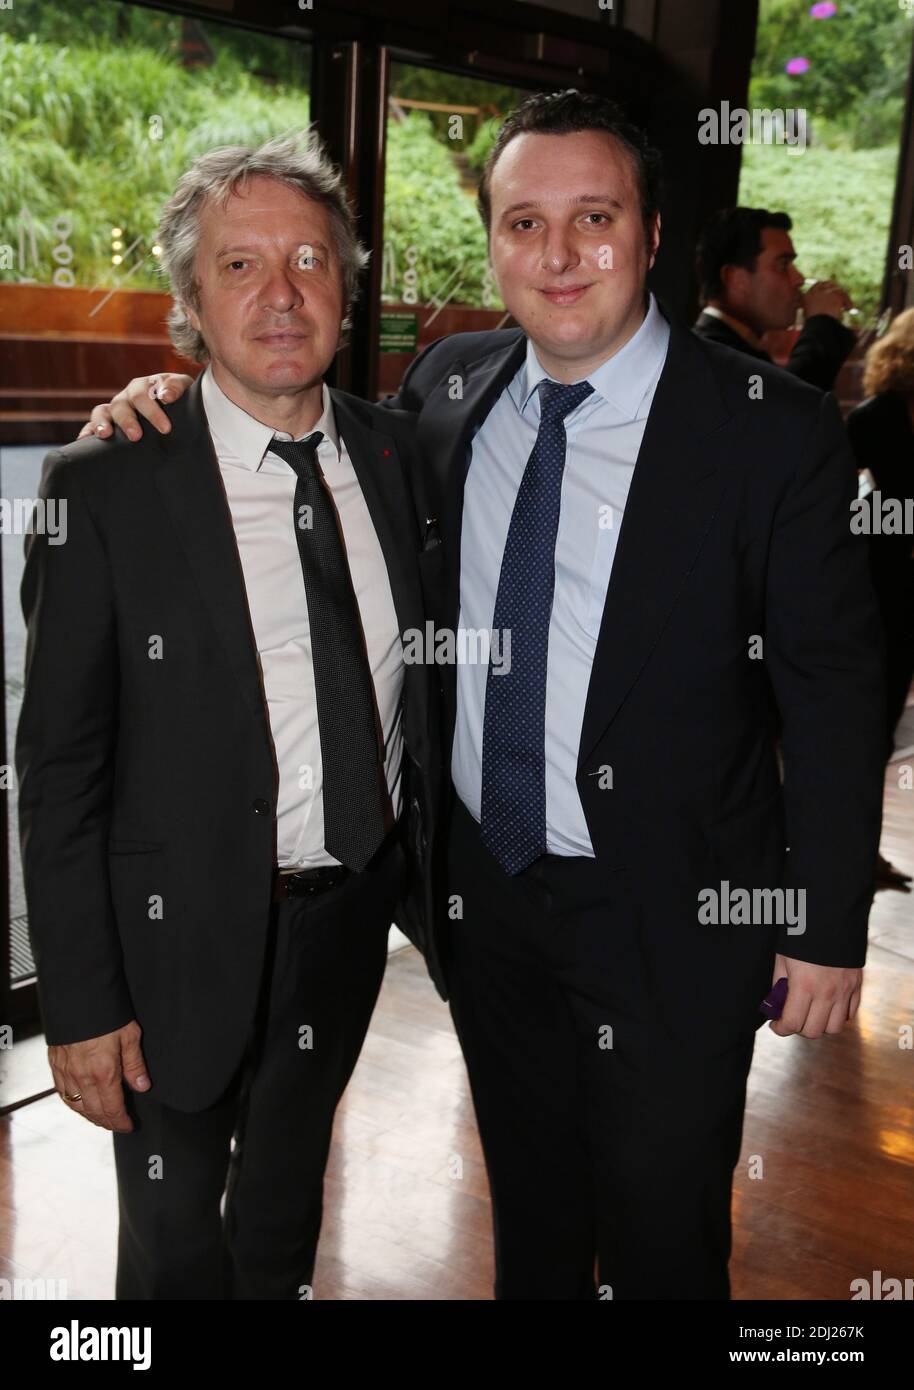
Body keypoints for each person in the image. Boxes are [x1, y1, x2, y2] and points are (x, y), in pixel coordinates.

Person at [82, 90, 885, 1302]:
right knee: (534, 1222)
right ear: (493, 239)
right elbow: (284, 422)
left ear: (652, 235)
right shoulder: (446, 397)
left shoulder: (770, 432)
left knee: (665, 1240)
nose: (556, 256)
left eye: (593, 218)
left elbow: (834, 690)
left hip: (674, 917)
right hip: (490, 912)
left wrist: (822, 922)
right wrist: (153, 411)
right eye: (522, 222)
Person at [16, 131, 441, 1300]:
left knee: (282, 1212)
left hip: (343, 926)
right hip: (168, 943)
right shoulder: (105, 488)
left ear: (347, 293)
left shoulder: (402, 459)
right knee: (169, 1246)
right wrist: (82, 1003)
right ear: (189, 304)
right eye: (239, 265)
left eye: (308, 259)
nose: (281, 291)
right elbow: (58, 769)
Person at [847, 309, 914, 883]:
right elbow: (840, 500)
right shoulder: (875, 417)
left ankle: (863, 850)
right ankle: (845, 851)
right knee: (860, 726)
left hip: (906, 590)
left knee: (885, 723)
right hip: (873, 586)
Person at [693, 206, 856, 391]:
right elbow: (787, 408)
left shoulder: (730, 346)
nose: (799, 279)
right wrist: (822, 325)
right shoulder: (711, 354)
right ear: (736, 279)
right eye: (783, 264)